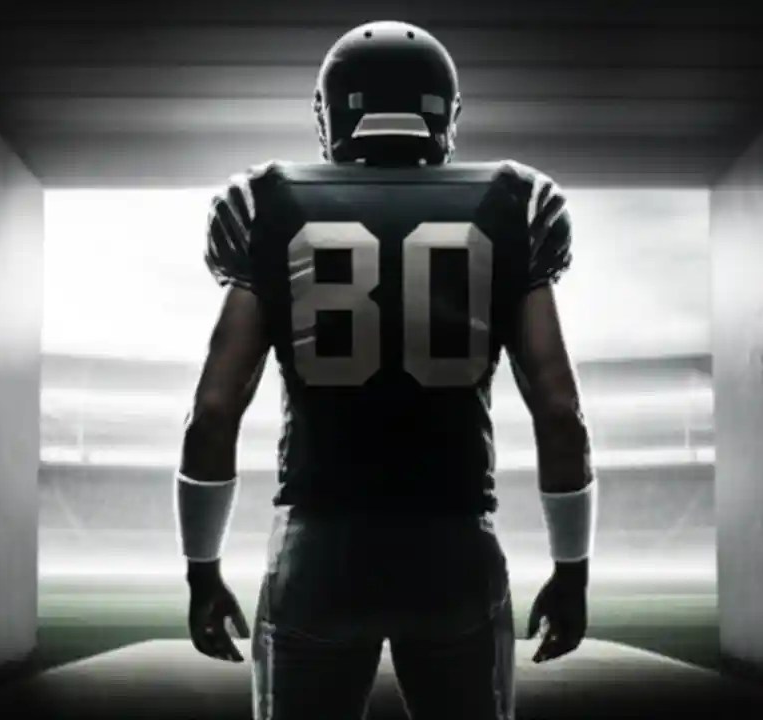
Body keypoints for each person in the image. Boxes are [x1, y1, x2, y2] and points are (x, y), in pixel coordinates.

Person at [174, 20, 596, 720]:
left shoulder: (269, 201)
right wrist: (573, 574)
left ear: (331, 112)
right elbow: (561, 416)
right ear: (445, 113)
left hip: (321, 544)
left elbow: (213, 414)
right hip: (453, 542)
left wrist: (201, 572)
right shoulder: (511, 202)